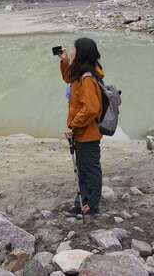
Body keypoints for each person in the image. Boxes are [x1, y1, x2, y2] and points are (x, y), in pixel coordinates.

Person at [59, 37, 104, 218]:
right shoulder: (80, 74)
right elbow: (68, 78)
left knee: (90, 169)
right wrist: (65, 62)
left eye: (74, 49)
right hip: (80, 133)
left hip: (88, 133)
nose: (71, 50)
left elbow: (91, 109)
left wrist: (73, 125)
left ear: (82, 53)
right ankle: (82, 202)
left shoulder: (87, 78)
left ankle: (92, 206)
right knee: (83, 169)